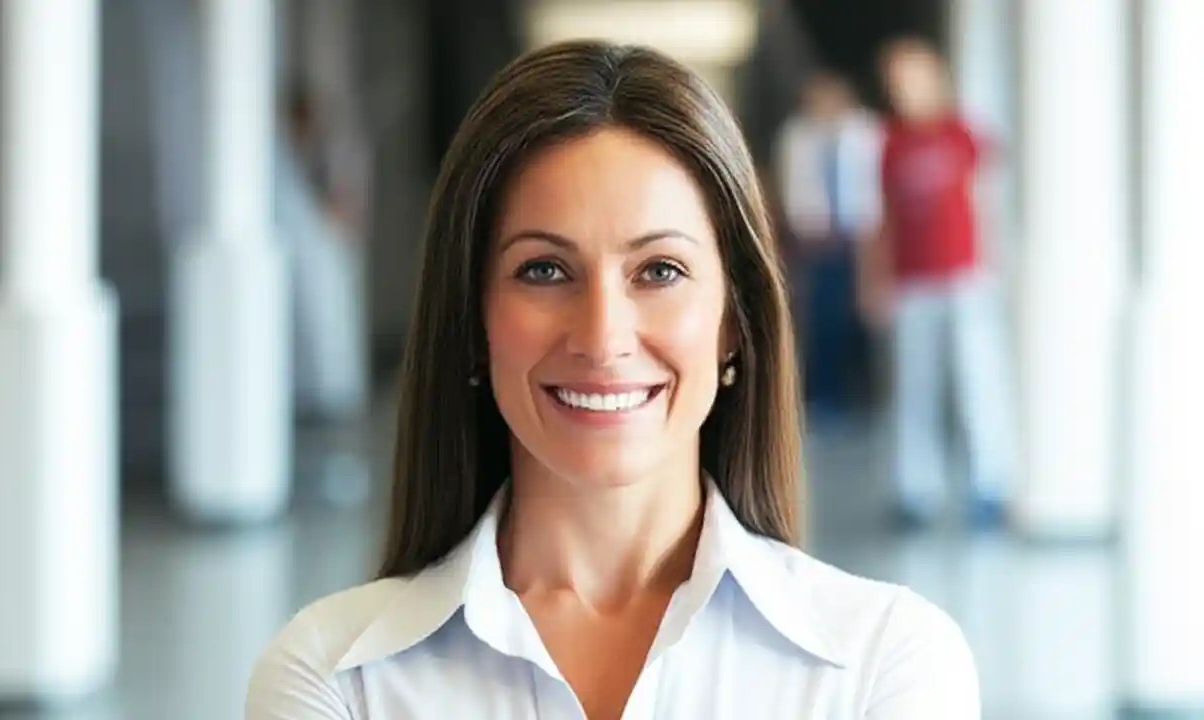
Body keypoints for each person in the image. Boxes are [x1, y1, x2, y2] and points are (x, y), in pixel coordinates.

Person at [246, 40, 979, 719]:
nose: (603, 337)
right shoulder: (337, 681)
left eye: (660, 271)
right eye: (544, 270)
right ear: (472, 320)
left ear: (734, 323)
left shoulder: (885, 666)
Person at [861, 38, 1016, 530]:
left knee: (978, 381)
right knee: (914, 387)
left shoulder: (962, 134)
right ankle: (915, 490)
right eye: (895, 81)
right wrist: (874, 281)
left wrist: (996, 265)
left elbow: (990, 199)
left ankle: (990, 483)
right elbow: (881, 219)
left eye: (912, 77)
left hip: (964, 276)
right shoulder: (889, 142)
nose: (904, 89)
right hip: (912, 282)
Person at [777, 71, 883, 423]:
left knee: (859, 317)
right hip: (817, 243)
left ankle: (862, 395)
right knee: (821, 319)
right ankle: (824, 395)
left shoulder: (868, 133)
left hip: (861, 239)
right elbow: (792, 189)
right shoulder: (797, 137)